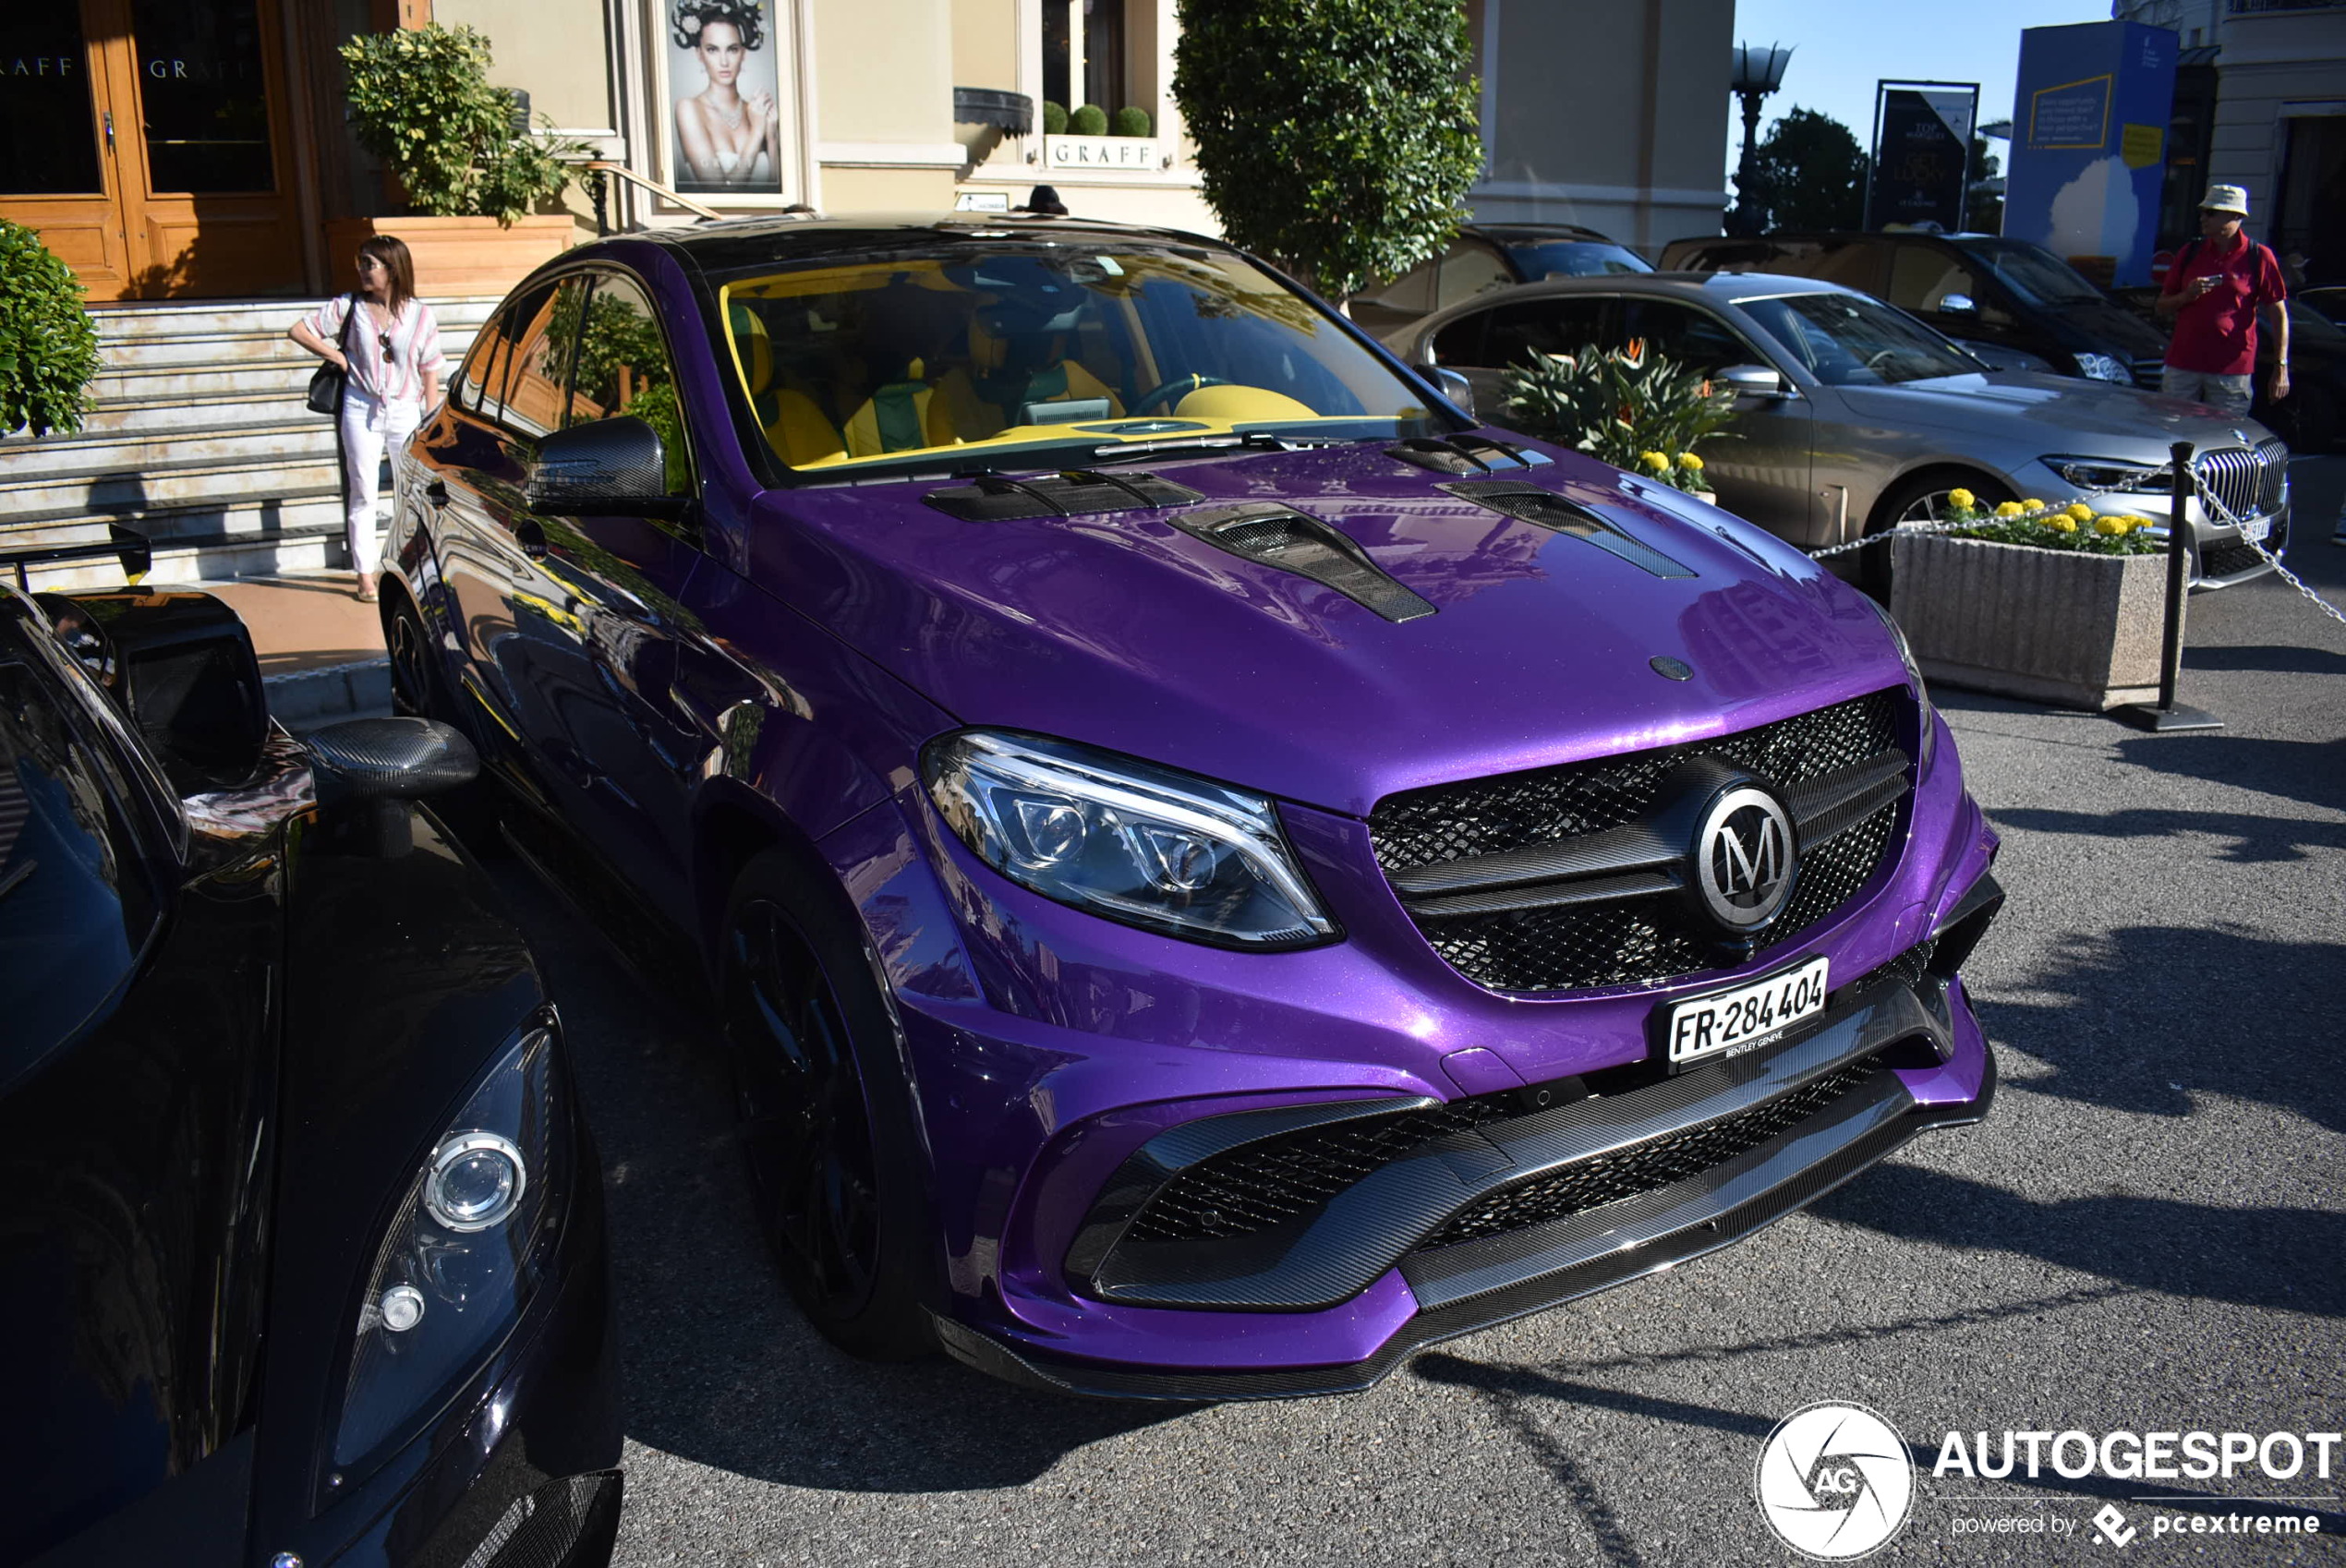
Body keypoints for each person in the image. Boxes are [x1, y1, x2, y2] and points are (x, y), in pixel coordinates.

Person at [288, 236, 444, 603]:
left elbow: (431, 371)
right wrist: (338, 357)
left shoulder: (421, 315)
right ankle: (365, 574)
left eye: (369, 264)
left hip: (406, 411)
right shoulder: (349, 307)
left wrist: (430, 423)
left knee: (410, 493)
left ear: (392, 269)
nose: (361, 270)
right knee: (364, 492)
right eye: (360, 262)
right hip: (361, 409)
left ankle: (410, 565)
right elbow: (298, 330)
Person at [2156, 184, 2289, 418]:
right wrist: (2188, 295)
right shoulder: (2190, 252)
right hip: (2183, 365)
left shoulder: (2259, 256)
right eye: (2203, 211)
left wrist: (2281, 366)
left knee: (2225, 438)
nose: (2203, 218)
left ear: (2235, 216)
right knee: (2173, 436)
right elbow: (2161, 306)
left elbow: (2278, 313)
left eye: (2211, 212)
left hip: (2231, 371)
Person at [672, 0, 780, 190]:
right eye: (712, 49)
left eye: (732, 49)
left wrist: (771, 136)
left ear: (743, 53)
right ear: (699, 54)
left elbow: (776, 191)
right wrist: (756, 133)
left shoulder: (757, 112)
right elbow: (720, 189)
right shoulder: (688, 108)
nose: (724, 61)